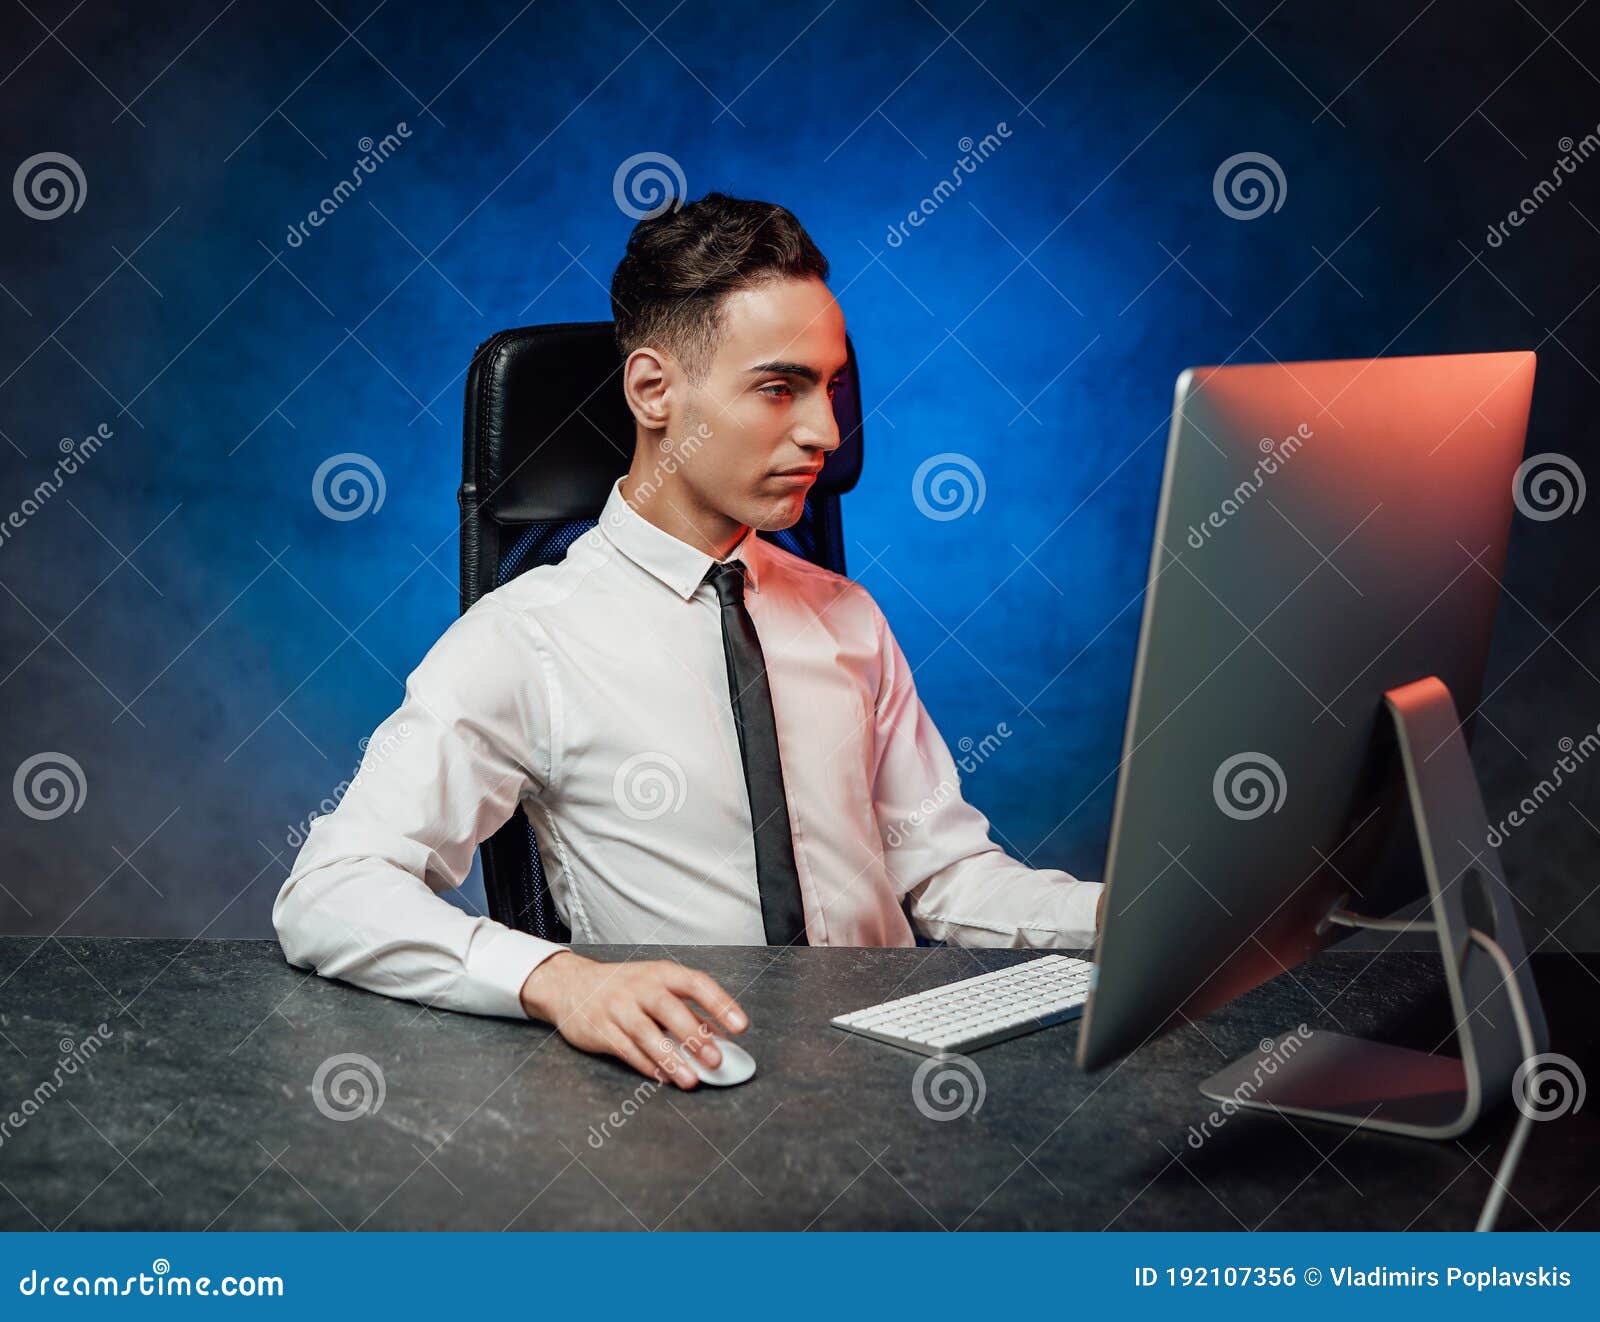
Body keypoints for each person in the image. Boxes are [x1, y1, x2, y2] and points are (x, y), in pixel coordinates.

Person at [273, 192, 1105, 1089]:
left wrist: (1143, 914)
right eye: (780, 388)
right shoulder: (525, 640)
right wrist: (555, 980)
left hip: (900, 1080)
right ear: (654, 390)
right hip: (694, 1100)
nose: (827, 431)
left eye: (832, 387)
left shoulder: (847, 617)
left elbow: (943, 878)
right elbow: (330, 892)